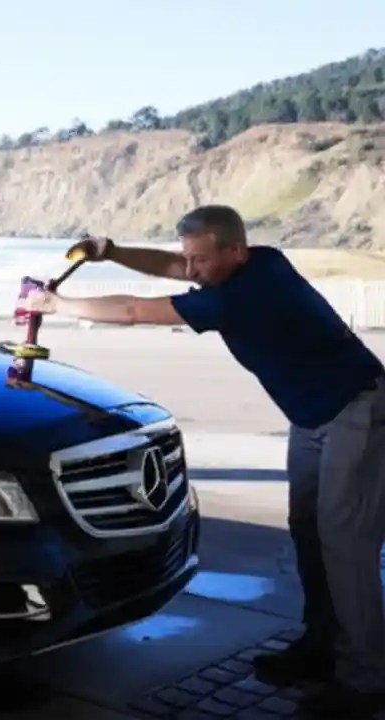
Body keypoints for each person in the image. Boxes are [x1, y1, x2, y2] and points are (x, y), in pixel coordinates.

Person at [22, 204, 385, 717]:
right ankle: (322, 644)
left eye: (201, 261)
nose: (191, 271)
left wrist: (57, 304)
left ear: (234, 250)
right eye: (187, 258)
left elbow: (135, 311)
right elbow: (172, 267)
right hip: (312, 416)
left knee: (346, 542)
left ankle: (366, 677)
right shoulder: (259, 261)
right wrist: (113, 252)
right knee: (307, 528)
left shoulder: (243, 296)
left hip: (357, 410)